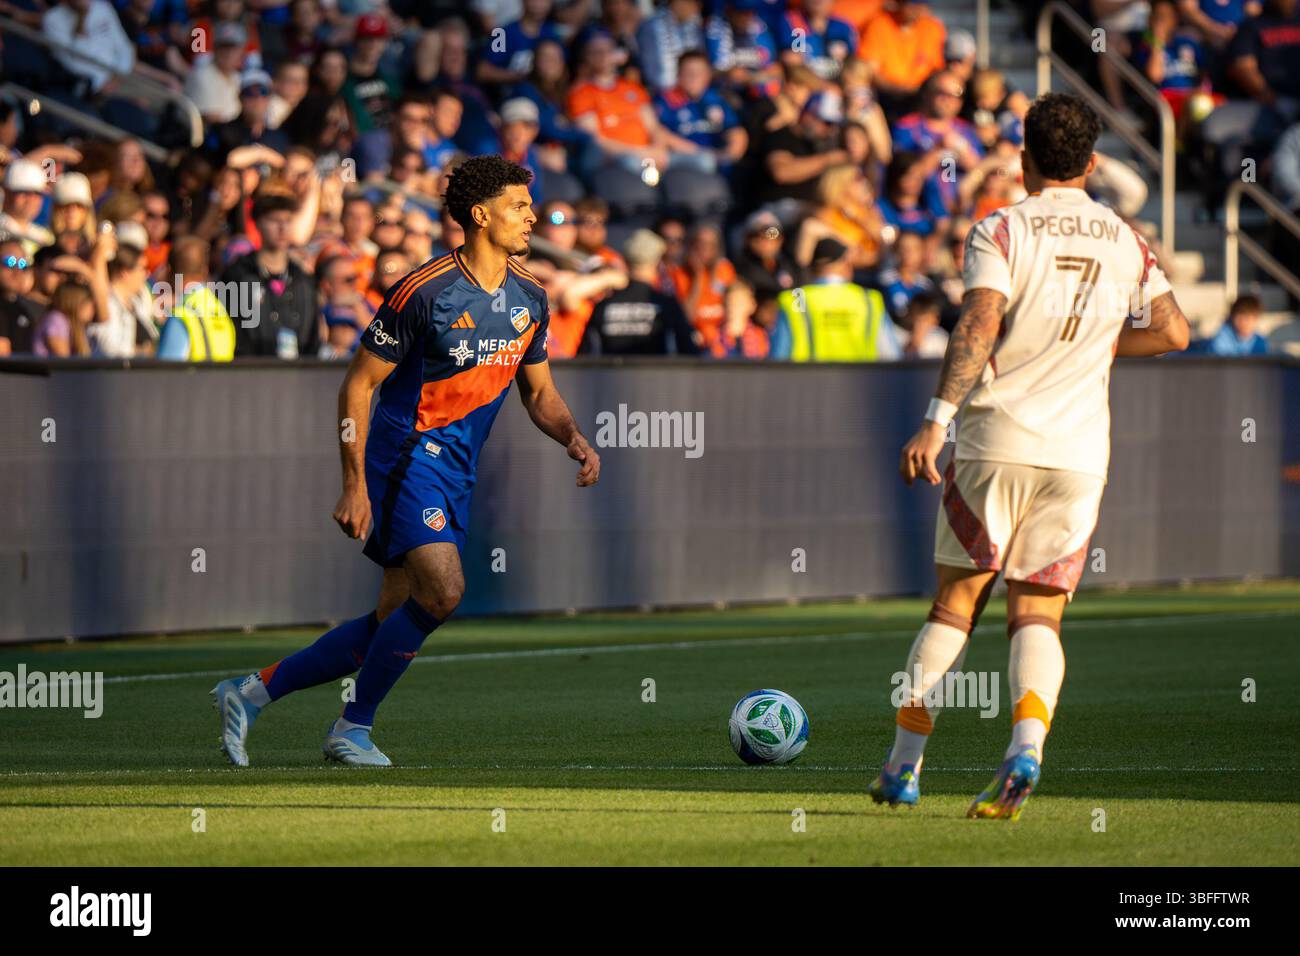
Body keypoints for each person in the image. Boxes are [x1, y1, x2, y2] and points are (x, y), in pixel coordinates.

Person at [209, 155, 601, 767]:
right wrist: (354, 483)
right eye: (519, 205)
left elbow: (540, 393)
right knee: (443, 591)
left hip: (457, 470)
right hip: (406, 455)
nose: (532, 216)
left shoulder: (532, 297)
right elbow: (357, 387)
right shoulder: (425, 290)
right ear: (480, 215)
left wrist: (573, 437)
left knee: (394, 616)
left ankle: (252, 692)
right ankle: (352, 727)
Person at [883, 93, 1191, 819]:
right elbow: (1174, 332)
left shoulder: (1002, 226)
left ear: (1023, 160)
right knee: (1039, 619)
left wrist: (936, 420)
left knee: (954, 605)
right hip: (1080, 452)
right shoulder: (1125, 237)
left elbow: (980, 322)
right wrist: (1095, 346)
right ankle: (1026, 748)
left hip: (997, 437)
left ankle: (902, 767)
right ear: (1090, 163)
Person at [772, 237, 898, 360]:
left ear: (813, 268)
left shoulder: (794, 299)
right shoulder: (870, 300)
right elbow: (890, 355)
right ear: (845, 264)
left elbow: (780, 356)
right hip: (860, 379)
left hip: (807, 380)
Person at [580, 228, 699, 355]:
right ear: (657, 263)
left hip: (613, 374)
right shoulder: (667, 305)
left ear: (625, 262)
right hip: (657, 374)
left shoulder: (603, 305)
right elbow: (689, 352)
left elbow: (585, 357)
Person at [156, 237, 238, 361]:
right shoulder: (222, 313)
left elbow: (165, 376)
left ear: (169, 271)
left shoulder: (181, 316)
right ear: (205, 271)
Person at [1193, 294, 1271, 355]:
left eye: (1249, 319)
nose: (1244, 323)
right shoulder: (1221, 339)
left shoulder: (1260, 342)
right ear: (1232, 317)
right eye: (1241, 318)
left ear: (1256, 319)